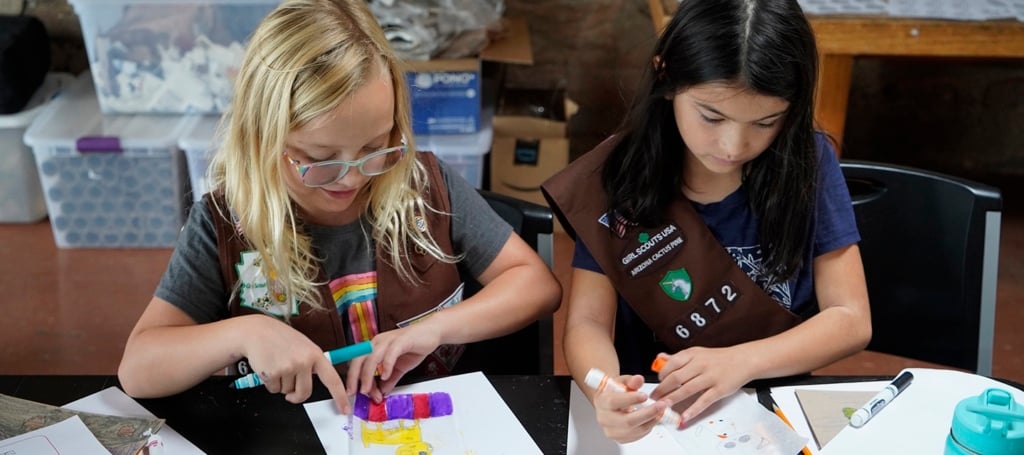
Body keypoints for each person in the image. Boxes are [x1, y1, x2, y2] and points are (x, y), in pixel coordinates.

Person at [117, 0, 561, 415]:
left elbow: (537, 286)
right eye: (320, 159)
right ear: (260, 138)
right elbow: (137, 369)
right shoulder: (225, 223)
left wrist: (437, 328)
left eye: (374, 147)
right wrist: (243, 333)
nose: (351, 178)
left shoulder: (424, 185)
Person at [541, 0, 870, 443]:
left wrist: (742, 362)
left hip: (775, 404)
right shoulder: (619, 176)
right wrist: (604, 389)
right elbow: (587, 325)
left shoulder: (807, 163)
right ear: (665, 76)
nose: (733, 145)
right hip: (658, 415)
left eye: (766, 121)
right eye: (711, 116)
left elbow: (851, 319)